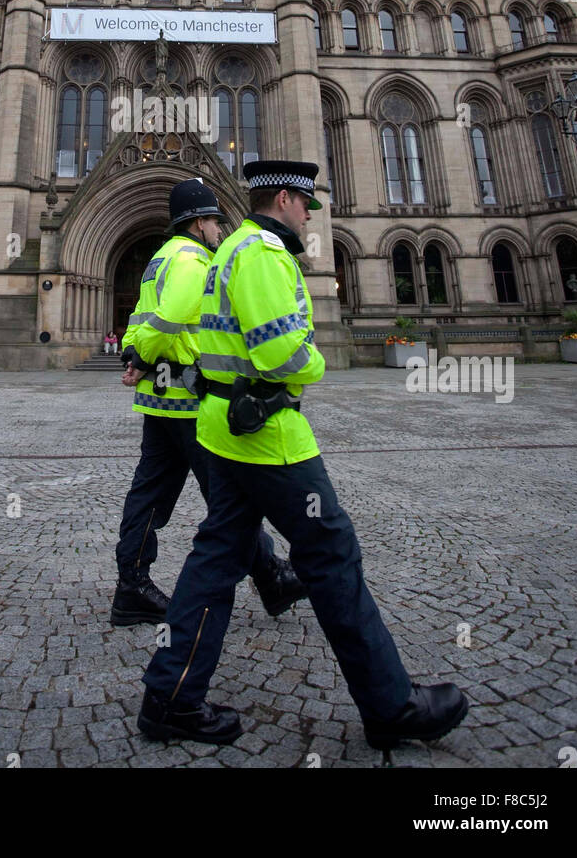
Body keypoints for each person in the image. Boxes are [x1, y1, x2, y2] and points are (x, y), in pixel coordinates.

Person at [138, 159, 469, 749]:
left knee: (217, 559)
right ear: (286, 198)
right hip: (269, 435)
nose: (309, 215)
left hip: (222, 426)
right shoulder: (262, 251)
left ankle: (170, 696)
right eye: (306, 204)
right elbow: (282, 353)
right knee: (331, 555)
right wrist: (315, 362)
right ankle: (390, 705)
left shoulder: (232, 246)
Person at [111, 176, 308, 627]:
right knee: (231, 497)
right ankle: (271, 575)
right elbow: (174, 315)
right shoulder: (192, 259)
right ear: (199, 223)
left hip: (160, 400)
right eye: (216, 221)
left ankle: (131, 585)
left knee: (150, 495)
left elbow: (140, 318)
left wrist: (133, 351)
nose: (220, 230)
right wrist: (140, 357)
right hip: (188, 399)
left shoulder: (159, 259)